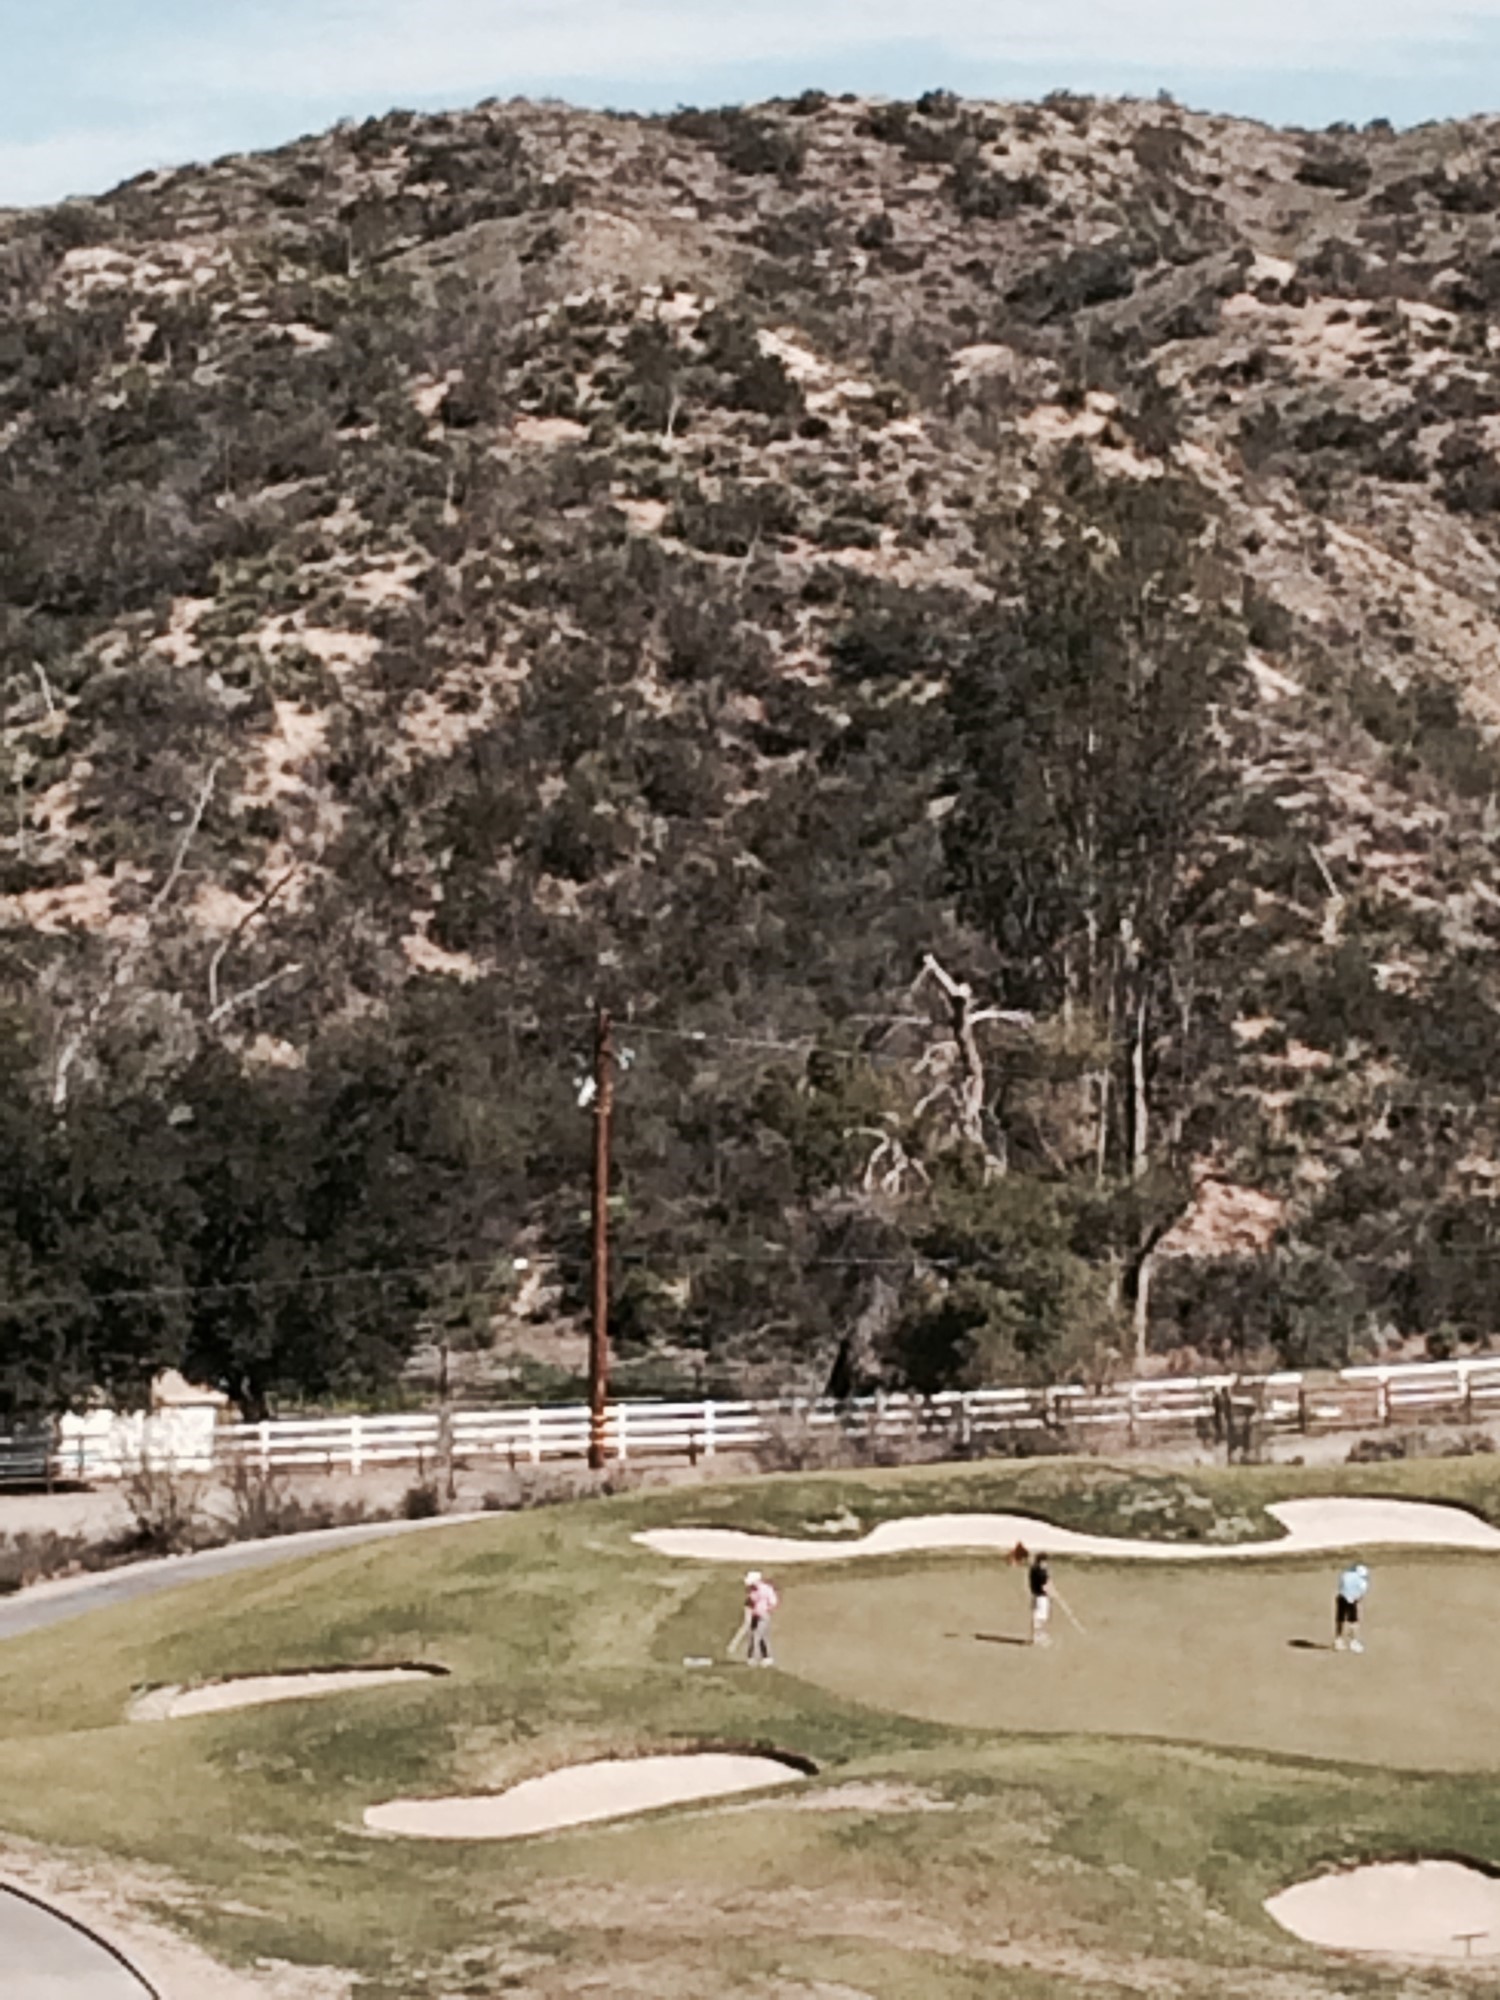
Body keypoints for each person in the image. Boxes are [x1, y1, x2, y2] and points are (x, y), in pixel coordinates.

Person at [744, 1569, 779, 1666]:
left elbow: (773, 1602)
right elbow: (749, 1602)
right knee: (755, 1636)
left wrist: (765, 1610)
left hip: (763, 1616)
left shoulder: (766, 1589)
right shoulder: (751, 1590)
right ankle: (758, 1657)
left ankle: (759, 1658)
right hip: (754, 1616)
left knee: (758, 1636)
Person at [1334, 1561, 1370, 1652]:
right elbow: (1360, 1595)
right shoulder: (1362, 1582)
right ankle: (1354, 1642)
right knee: (1353, 1621)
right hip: (1351, 1600)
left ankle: (1338, 1640)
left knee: (1340, 1620)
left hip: (1341, 1597)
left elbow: (1341, 1586)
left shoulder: (1346, 1575)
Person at [1028, 1551, 1052, 1646]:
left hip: (1036, 1595)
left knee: (1038, 1616)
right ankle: (1038, 1636)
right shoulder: (1040, 1572)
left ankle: (1037, 1635)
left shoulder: (1034, 1569)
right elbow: (1045, 1584)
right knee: (1040, 1617)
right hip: (1041, 1596)